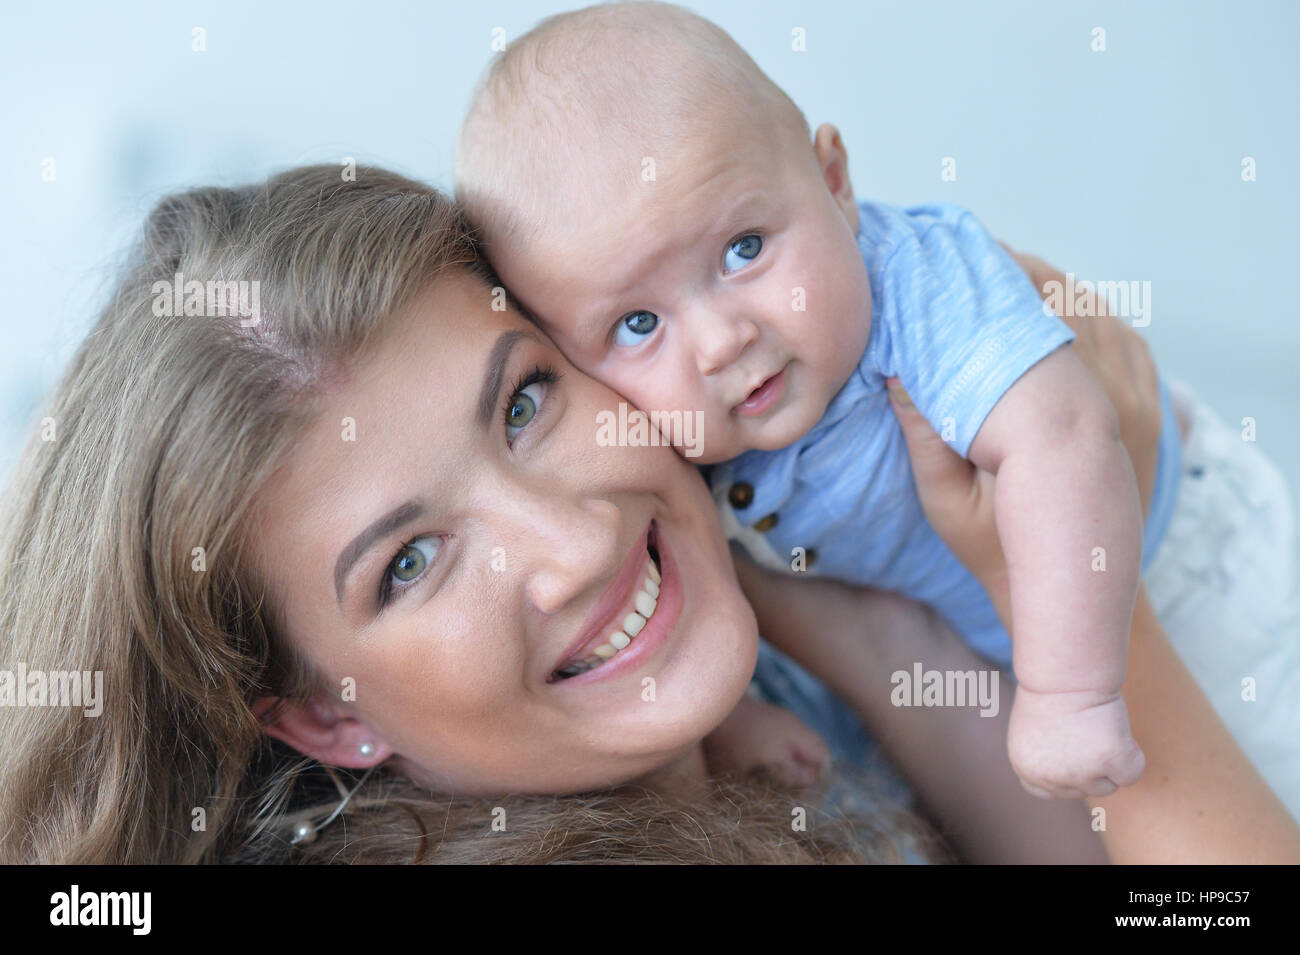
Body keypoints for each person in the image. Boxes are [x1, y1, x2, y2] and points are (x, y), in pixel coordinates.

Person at [0, 166, 1292, 865]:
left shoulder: (724, 682)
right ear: (324, 713)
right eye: (410, 562)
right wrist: (1085, 585)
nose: (572, 541)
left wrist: (859, 599)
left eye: (523, 406)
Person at [454, 0, 1299, 804]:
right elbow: (702, 583)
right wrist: (735, 716)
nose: (719, 343)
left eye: (744, 249)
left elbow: (1065, 438)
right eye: (638, 323)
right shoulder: (655, 426)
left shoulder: (918, 288)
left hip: (1171, 562)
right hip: (991, 642)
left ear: (834, 184)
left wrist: (1068, 692)